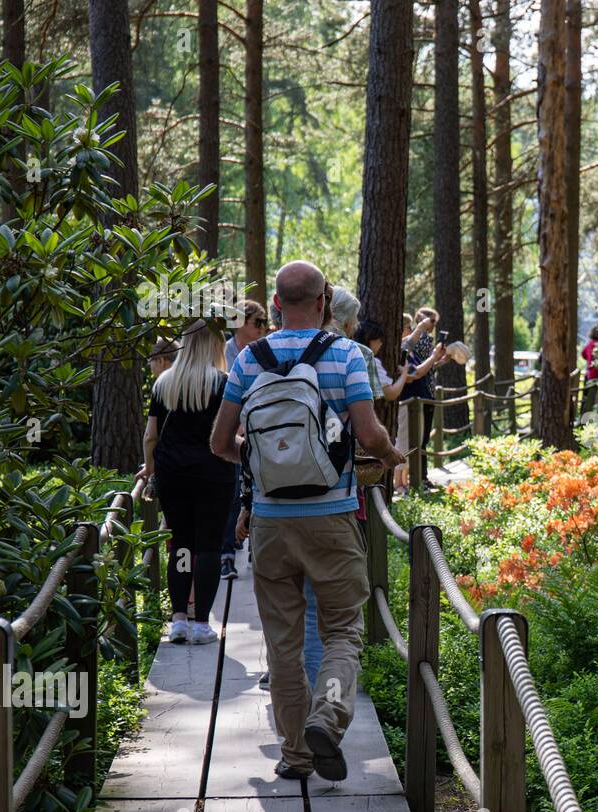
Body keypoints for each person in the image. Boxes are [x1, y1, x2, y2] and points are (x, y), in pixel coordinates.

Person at [211, 260, 406, 782]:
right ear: (323, 303)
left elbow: (218, 442)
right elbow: (368, 435)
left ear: (275, 305)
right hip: (332, 517)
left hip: (271, 523)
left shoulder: (250, 359)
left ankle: (295, 756)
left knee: (283, 646)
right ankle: (329, 716)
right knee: (343, 631)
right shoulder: (344, 354)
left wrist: (258, 465)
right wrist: (391, 456)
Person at [138, 320, 235, 645]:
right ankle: (201, 624)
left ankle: (178, 618)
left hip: (172, 473)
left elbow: (151, 435)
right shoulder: (222, 383)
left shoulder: (164, 383)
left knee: (180, 542)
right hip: (213, 472)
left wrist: (150, 470)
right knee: (208, 546)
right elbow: (233, 432)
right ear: (214, 346)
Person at [220, 301, 268, 580]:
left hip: (258, 430)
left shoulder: (264, 352)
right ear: (240, 322)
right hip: (231, 433)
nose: (263, 328)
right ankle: (228, 554)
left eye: (264, 322)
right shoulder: (225, 352)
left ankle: (255, 548)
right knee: (234, 495)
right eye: (257, 322)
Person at [398, 307, 449, 492]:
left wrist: (438, 360)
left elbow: (425, 367)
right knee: (412, 440)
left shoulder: (416, 343)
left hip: (422, 394)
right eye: (432, 322)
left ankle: (415, 478)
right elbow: (416, 372)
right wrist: (435, 355)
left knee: (420, 439)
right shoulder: (420, 340)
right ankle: (411, 480)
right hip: (413, 398)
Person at [581, 325, 598, 414]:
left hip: (589, 374)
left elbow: (583, 354)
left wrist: (589, 359)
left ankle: (584, 415)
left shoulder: (589, 344)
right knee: (594, 398)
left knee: (587, 398)